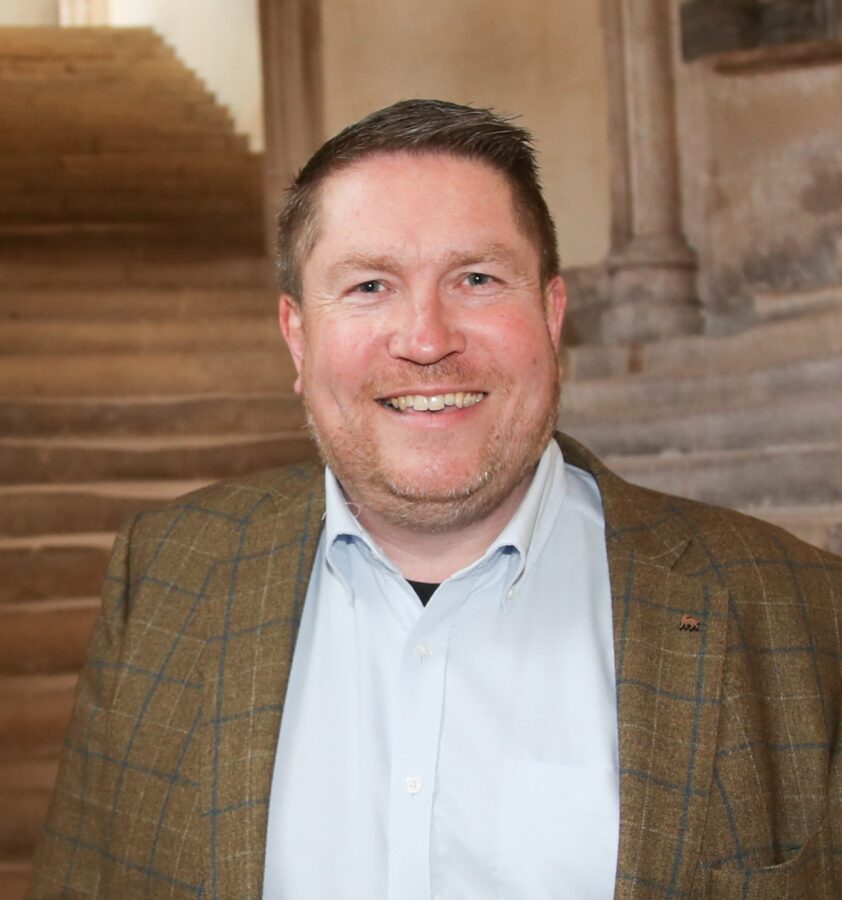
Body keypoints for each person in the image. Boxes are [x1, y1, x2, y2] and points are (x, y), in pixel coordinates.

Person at [29, 99, 841, 899]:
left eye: (478, 278)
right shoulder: (165, 578)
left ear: (552, 317)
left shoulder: (800, 613)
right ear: (297, 338)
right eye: (371, 285)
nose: (426, 340)